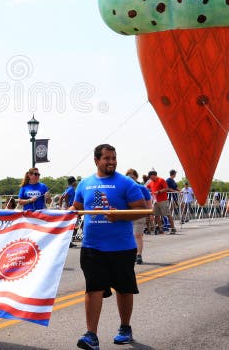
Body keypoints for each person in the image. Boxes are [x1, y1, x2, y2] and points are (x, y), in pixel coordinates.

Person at [73, 144, 147, 348]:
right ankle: (91, 335)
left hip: (121, 247)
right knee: (93, 289)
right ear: (96, 160)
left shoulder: (126, 183)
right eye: (107, 158)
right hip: (92, 247)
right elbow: (76, 208)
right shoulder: (84, 184)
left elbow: (142, 210)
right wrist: (58, 216)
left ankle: (125, 328)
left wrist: (119, 216)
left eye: (114, 158)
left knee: (123, 289)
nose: (112, 162)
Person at [125, 169, 152, 264]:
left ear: (136, 178)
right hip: (126, 215)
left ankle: (139, 255)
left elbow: (148, 201)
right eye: (128, 177)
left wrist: (149, 213)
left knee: (137, 235)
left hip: (139, 215)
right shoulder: (123, 188)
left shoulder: (142, 188)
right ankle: (130, 254)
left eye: (132, 177)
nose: (130, 179)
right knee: (128, 236)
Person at [147, 170, 176, 234]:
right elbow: (146, 187)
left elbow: (166, 188)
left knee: (167, 214)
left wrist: (159, 192)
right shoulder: (151, 183)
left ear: (153, 175)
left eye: (150, 177)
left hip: (163, 200)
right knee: (156, 215)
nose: (150, 178)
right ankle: (160, 229)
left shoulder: (161, 180)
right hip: (155, 201)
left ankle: (173, 228)